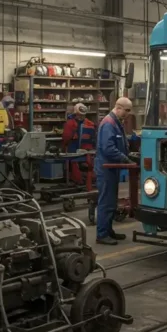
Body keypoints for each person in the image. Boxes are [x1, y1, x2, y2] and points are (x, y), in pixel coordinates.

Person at [94, 98, 133, 245]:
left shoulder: (116, 123)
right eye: (126, 110)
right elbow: (108, 148)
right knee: (106, 202)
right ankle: (102, 235)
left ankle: (108, 231)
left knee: (111, 202)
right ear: (118, 107)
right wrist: (124, 158)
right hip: (106, 168)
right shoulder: (108, 124)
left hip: (112, 168)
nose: (128, 114)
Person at [62, 103, 96, 185]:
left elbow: (65, 138)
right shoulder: (90, 124)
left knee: (74, 162)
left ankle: (79, 180)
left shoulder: (70, 124)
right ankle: (85, 180)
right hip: (85, 152)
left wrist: (64, 146)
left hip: (78, 151)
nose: (80, 117)